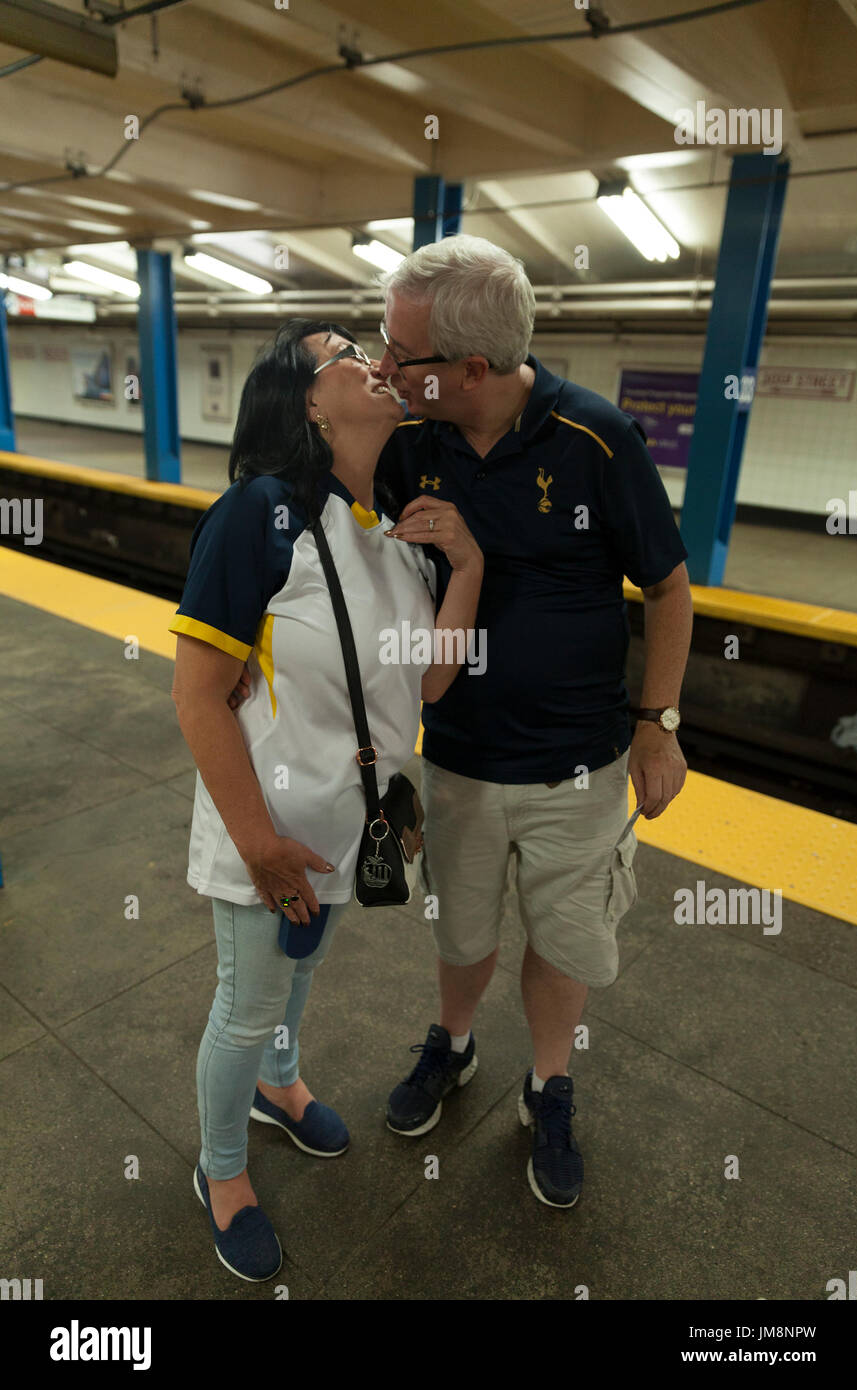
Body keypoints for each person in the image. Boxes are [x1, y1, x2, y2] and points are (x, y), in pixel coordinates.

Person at [373, 234, 692, 1209]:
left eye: (401, 357)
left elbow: (668, 588)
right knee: (462, 929)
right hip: (460, 760)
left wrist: (658, 722)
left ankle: (547, 1083)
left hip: (577, 769)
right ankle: (454, 1045)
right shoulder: (409, 445)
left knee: (560, 939)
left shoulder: (595, 440)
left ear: (470, 369)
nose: (384, 370)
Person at [170, 319, 482, 1280]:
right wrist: (257, 840)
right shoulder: (256, 517)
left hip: (349, 833)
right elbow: (194, 694)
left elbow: (431, 686)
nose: (377, 365)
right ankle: (222, 1174)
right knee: (248, 997)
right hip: (267, 838)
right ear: (308, 403)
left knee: (298, 982)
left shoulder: (391, 539)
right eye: (347, 357)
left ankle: (280, 1082)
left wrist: (467, 566)